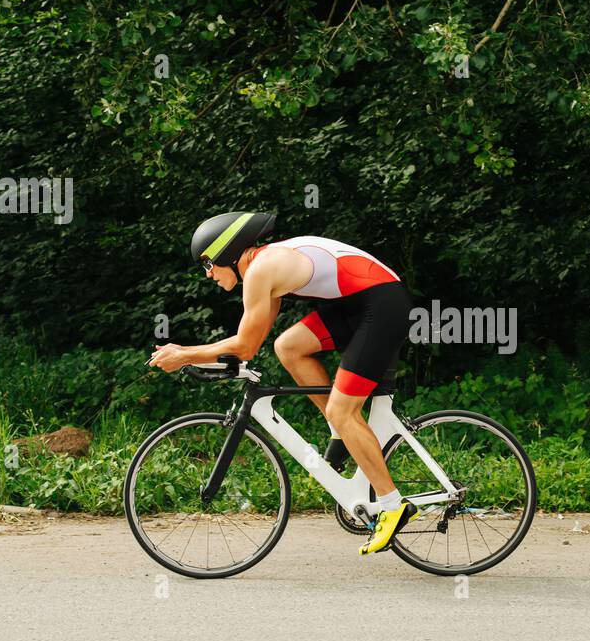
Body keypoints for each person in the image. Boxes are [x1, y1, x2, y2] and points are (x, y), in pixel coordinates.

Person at [148, 211, 416, 556]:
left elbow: (244, 345)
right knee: (289, 347)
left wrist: (185, 354)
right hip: (359, 304)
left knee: (344, 409)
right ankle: (340, 428)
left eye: (209, 264)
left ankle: (394, 506)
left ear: (228, 251)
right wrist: (199, 356)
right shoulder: (264, 269)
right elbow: (253, 343)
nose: (209, 274)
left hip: (381, 305)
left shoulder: (262, 269)